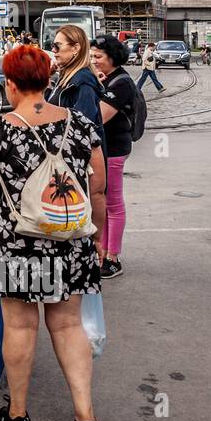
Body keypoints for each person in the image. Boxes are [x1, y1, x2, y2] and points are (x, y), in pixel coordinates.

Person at [0, 44, 106, 421]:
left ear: (10, 84)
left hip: (16, 243)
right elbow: (98, 188)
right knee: (68, 325)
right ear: (46, 80)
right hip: (72, 239)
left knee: (20, 325)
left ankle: (19, 416)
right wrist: (99, 238)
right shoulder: (80, 124)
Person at [91, 35, 134, 279]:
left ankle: (113, 257)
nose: (94, 61)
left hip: (115, 149)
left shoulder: (122, 83)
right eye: (93, 56)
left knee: (113, 203)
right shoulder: (107, 79)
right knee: (103, 202)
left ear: (113, 58)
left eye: (99, 57)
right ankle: (103, 252)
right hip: (103, 148)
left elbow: (99, 115)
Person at [47, 25, 106, 151]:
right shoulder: (66, 77)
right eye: (53, 45)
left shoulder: (82, 82)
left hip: (76, 161)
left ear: (75, 48)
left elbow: (83, 128)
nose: (53, 50)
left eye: (58, 45)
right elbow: (48, 107)